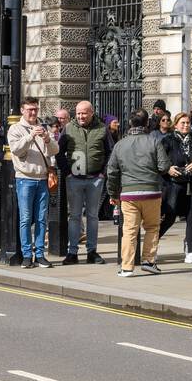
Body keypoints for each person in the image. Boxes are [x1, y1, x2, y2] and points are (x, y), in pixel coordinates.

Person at [107, 110, 172, 276]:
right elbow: (164, 167)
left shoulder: (120, 144)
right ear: (146, 124)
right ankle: (149, 261)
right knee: (152, 228)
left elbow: (112, 172)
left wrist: (113, 194)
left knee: (129, 230)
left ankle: (127, 267)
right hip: (151, 192)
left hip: (129, 194)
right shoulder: (154, 141)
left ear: (130, 124)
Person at [7, 96, 57, 268]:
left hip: (42, 179)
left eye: (35, 109)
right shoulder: (15, 129)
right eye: (30, 109)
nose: (33, 112)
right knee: (26, 218)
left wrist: (48, 139)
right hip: (25, 179)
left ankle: (40, 254)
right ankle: (27, 255)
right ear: (22, 110)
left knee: (42, 218)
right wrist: (30, 136)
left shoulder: (43, 128)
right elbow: (16, 150)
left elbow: (55, 150)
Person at [59, 100, 109, 265]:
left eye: (84, 113)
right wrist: (67, 172)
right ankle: (72, 252)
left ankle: (92, 252)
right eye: (78, 113)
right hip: (75, 179)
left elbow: (111, 152)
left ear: (91, 113)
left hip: (95, 179)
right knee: (74, 216)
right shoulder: (68, 128)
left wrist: (103, 173)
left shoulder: (102, 129)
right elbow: (59, 152)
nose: (80, 116)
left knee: (93, 217)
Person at [162, 112, 192, 246]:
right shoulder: (168, 140)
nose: (185, 125)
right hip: (173, 185)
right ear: (176, 125)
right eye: (182, 123)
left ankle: (190, 248)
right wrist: (168, 168)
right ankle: (152, 244)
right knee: (170, 217)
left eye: (188, 123)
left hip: (190, 183)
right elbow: (159, 160)